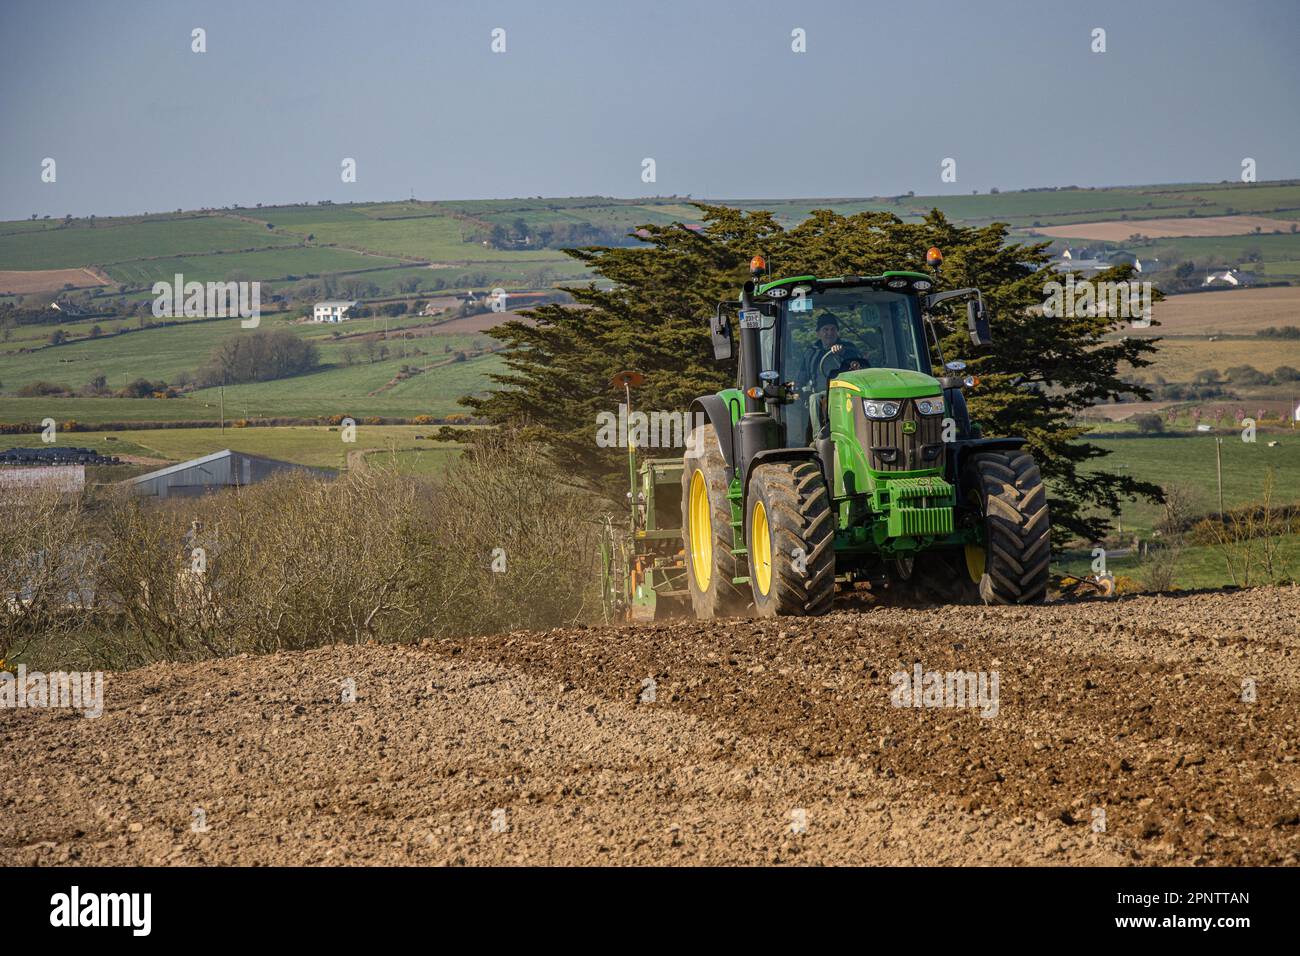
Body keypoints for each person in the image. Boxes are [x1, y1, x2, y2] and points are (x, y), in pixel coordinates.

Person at [800, 313, 866, 391]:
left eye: (833, 329)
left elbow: (860, 369)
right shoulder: (811, 352)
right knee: (814, 398)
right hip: (821, 395)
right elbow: (802, 377)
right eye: (826, 329)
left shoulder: (849, 348)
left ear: (837, 332)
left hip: (846, 392)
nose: (830, 333)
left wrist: (843, 353)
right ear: (818, 333)